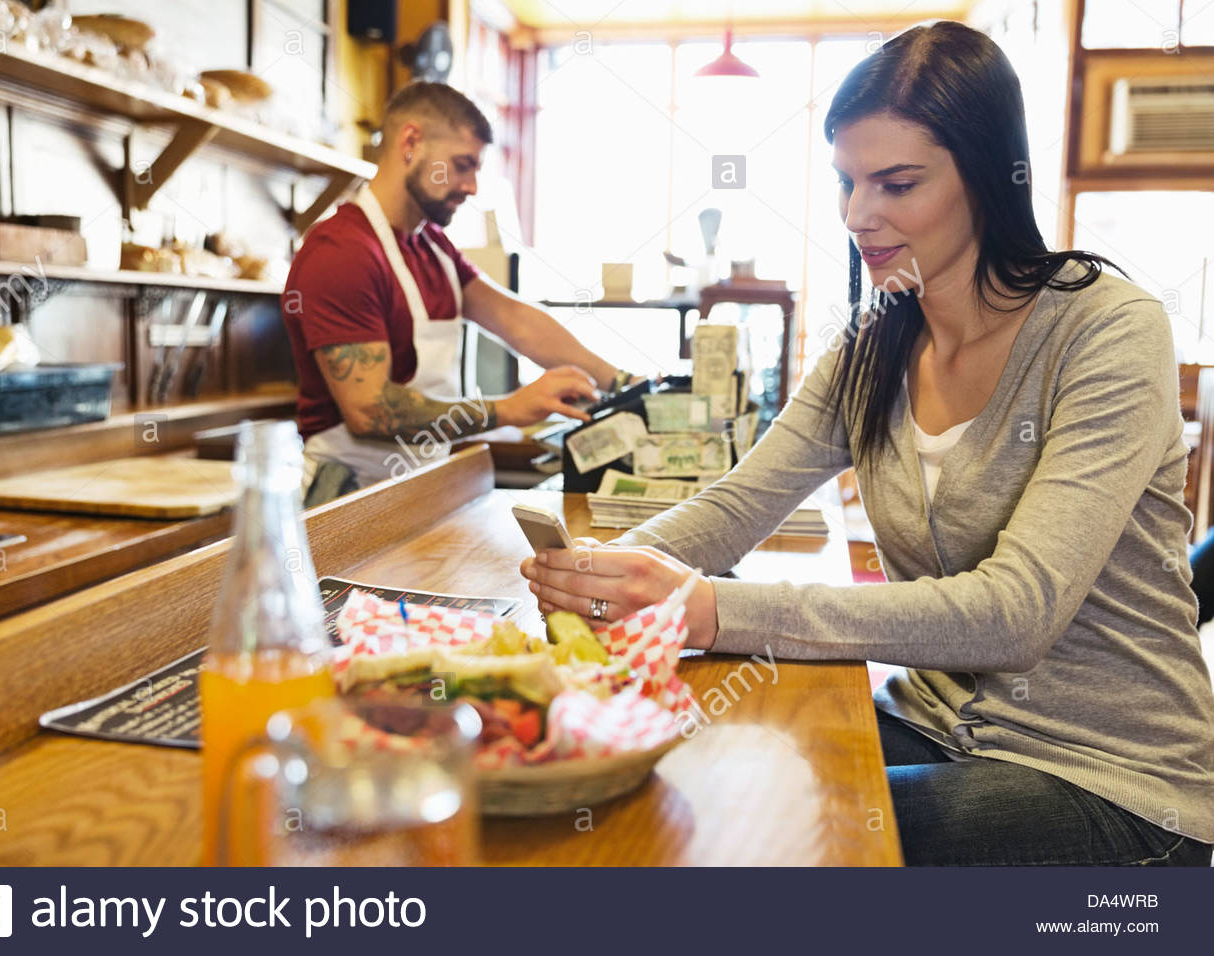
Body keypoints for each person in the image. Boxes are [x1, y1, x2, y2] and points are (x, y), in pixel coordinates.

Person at [520, 21, 1214, 866]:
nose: (858, 215)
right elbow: (739, 505)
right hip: (934, 725)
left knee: (781, 837)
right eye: (848, 182)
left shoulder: (1107, 331)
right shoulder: (873, 344)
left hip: (1115, 781)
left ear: (990, 178)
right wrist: (603, 575)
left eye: (897, 183)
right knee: (695, 773)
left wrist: (710, 608)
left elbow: (1015, 612)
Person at [283, 82, 634, 505]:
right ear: (410, 141)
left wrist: (620, 381)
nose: (471, 187)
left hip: (422, 485)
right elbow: (369, 410)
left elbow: (515, 319)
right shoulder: (342, 252)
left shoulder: (432, 246)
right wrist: (506, 409)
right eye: (462, 165)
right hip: (345, 499)